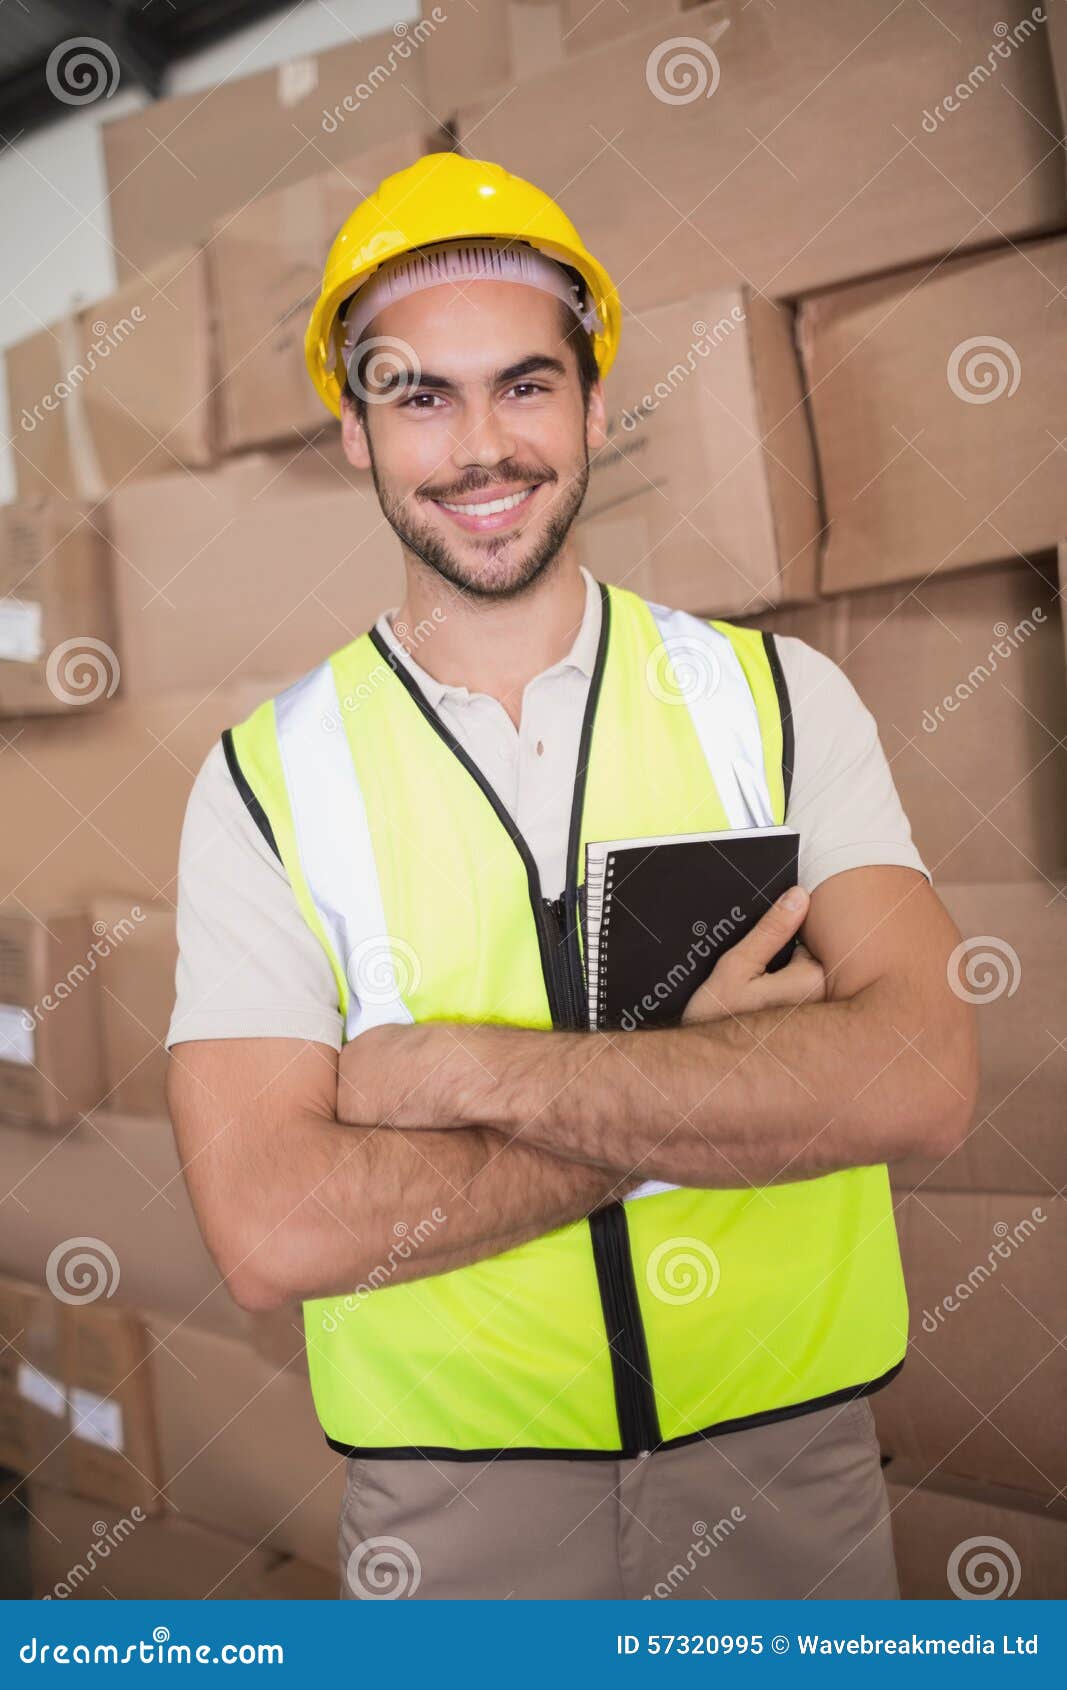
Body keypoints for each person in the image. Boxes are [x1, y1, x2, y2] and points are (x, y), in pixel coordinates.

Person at [166, 154, 978, 1602]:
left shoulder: (779, 701)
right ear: (355, 431)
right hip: (454, 1507)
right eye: (420, 392)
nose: (482, 445)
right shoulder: (264, 783)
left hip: (787, 1478)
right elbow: (273, 1229)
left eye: (526, 385)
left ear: (596, 403)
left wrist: (461, 1068)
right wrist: (721, 1084)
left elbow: (917, 1076)